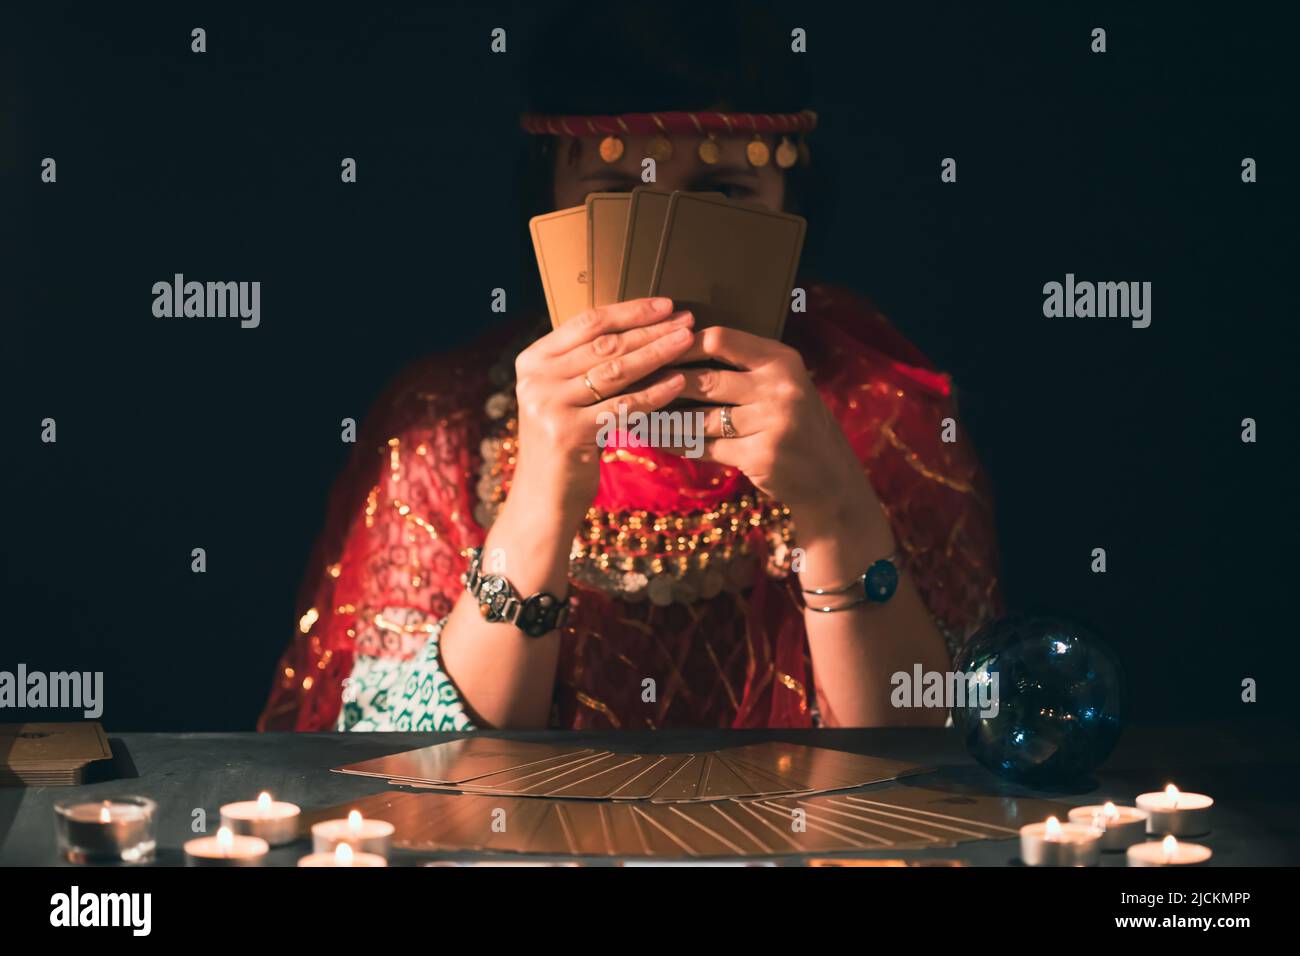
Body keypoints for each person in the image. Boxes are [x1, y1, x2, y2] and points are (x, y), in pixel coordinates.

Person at [259, 5, 1000, 733]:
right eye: (616, 196)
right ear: (545, 204)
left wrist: (836, 510)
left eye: (724, 194)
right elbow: (413, 766)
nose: (666, 250)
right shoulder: (447, 426)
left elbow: (929, 754)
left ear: (791, 205)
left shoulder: (884, 408)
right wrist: (541, 501)